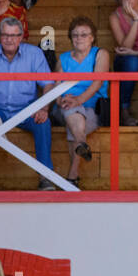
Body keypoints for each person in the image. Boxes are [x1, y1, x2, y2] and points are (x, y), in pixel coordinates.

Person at [0, 17, 54, 190]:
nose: (9, 39)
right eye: (5, 35)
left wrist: (43, 108)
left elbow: (48, 83)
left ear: (21, 37)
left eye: (14, 35)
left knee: (43, 123)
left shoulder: (34, 54)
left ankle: (44, 177)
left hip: (27, 109)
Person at [53, 17, 108, 187]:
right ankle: (81, 146)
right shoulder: (63, 59)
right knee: (71, 112)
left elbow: (98, 82)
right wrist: (61, 100)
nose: (79, 38)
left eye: (84, 35)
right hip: (65, 107)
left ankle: (73, 175)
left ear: (92, 37)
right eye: (75, 35)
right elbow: (56, 88)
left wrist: (78, 100)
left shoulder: (101, 54)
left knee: (75, 126)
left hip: (92, 106)